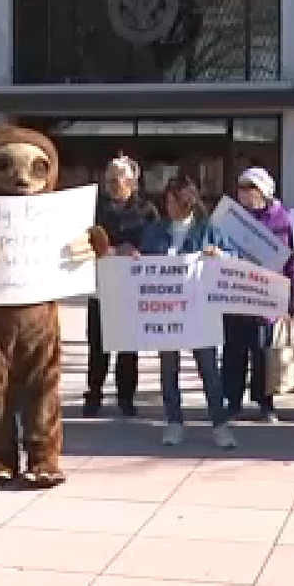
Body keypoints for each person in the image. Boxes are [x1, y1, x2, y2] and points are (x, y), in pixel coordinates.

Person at [130, 174, 237, 449]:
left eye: (174, 200)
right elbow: (144, 265)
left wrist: (220, 255)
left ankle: (219, 424)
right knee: (168, 370)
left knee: (209, 370)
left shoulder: (207, 230)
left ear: (187, 202)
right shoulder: (154, 231)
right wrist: (138, 260)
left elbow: (233, 258)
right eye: (167, 200)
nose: (169, 206)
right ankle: (174, 422)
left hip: (201, 312)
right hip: (167, 312)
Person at [220, 167, 294, 423]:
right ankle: (231, 401)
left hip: (266, 298)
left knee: (262, 353)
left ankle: (265, 402)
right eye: (241, 188)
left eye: (249, 188)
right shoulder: (231, 217)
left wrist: (293, 297)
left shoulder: (282, 219)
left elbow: (293, 260)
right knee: (234, 352)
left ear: (263, 191)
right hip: (236, 296)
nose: (243, 194)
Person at [84, 155, 157, 417]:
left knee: (128, 347)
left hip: (130, 288)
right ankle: (93, 395)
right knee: (97, 345)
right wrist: (110, 249)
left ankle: (126, 398)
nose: (113, 183)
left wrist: (139, 252)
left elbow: (154, 245)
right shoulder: (93, 209)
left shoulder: (146, 210)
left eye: (118, 178)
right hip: (100, 287)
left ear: (132, 182)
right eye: (109, 178)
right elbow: (83, 241)